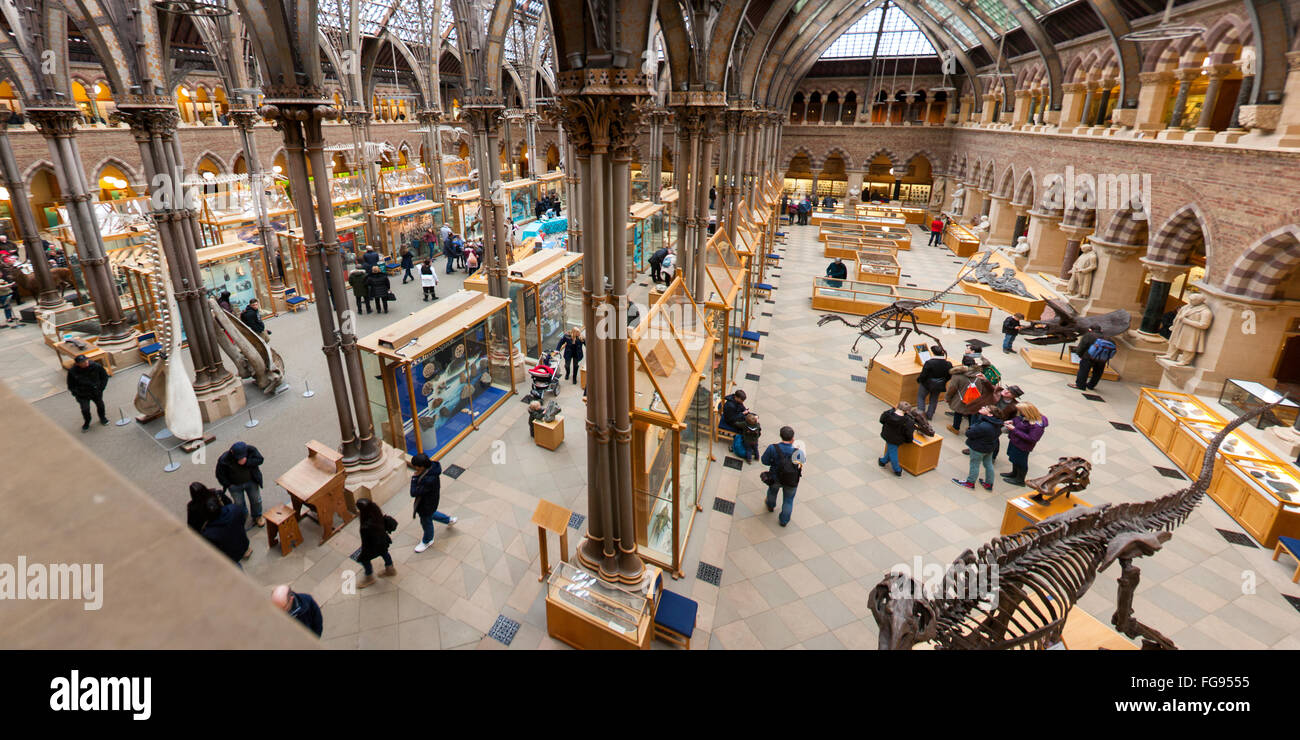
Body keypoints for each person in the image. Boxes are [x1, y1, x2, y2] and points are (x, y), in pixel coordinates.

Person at [409, 453, 457, 553]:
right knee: (431, 514)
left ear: (422, 467)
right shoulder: (432, 470)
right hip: (431, 502)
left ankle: (428, 540)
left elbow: (414, 492)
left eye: (416, 467)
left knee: (426, 523)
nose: (415, 469)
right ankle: (448, 520)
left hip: (426, 505)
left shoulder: (428, 480)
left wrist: (414, 479)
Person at [761, 426, 805, 527]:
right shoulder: (798, 452)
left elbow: (764, 461)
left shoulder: (773, 448)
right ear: (792, 438)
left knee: (772, 492)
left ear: (781, 436)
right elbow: (801, 463)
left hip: (776, 477)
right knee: (788, 500)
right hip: (791, 480)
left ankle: (770, 505)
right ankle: (784, 521)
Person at [216, 440, 266, 527]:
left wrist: (247, 462)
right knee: (239, 504)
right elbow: (220, 474)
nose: (240, 459)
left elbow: (260, 460)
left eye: (242, 456)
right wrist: (228, 485)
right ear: (232, 452)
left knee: (256, 500)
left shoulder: (251, 450)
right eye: (238, 457)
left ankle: (257, 516)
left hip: (251, 482)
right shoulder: (224, 459)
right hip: (235, 486)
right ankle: (243, 515)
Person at [953, 406, 1001, 491]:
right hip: (989, 448)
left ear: (990, 414)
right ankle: (989, 484)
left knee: (974, 465)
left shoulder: (984, 425)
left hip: (978, 448)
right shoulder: (997, 423)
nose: (982, 407)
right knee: (988, 464)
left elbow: (969, 433)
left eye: (986, 408)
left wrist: (971, 428)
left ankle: (970, 482)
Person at [1002, 402, 1048, 487]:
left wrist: (1014, 429)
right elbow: (1018, 419)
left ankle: (1020, 480)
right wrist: (1012, 421)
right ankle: (1014, 473)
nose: (1019, 413)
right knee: (1014, 459)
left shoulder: (1037, 425)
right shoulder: (1024, 416)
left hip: (1022, 446)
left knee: (1021, 462)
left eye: (1021, 411)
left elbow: (1032, 439)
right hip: (1015, 441)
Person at [198, 493, 251, 565]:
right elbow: (242, 519)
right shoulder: (234, 509)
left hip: (229, 557)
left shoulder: (208, 533)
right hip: (242, 544)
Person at [355, 498, 397, 588]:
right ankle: (390, 569)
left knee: (364, 559)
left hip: (373, 545)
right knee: (384, 553)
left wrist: (364, 552)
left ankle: (369, 577)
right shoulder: (375, 510)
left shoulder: (366, 526)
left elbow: (366, 540)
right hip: (382, 539)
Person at [66, 354, 109, 432]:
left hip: (95, 391)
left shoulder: (96, 366)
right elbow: (70, 385)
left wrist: (101, 388)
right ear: (78, 364)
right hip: (82, 394)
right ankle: (87, 421)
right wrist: (76, 393)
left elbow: (104, 377)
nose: (85, 363)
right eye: (82, 362)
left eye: (86, 360)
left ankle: (102, 418)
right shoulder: (72, 371)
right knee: (85, 409)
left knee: (100, 405)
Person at [878, 401, 916, 477]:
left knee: (891, 449)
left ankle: (883, 461)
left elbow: (881, 420)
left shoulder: (888, 414)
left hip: (887, 435)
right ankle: (897, 470)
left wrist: (892, 409)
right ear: (907, 411)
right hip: (897, 439)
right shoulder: (908, 421)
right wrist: (909, 440)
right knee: (893, 453)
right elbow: (908, 433)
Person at [1068, 326, 1112, 391]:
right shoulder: (1108, 338)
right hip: (1101, 359)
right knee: (1097, 372)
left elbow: (1082, 346)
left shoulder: (1088, 335)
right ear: (1101, 330)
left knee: (1084, 370)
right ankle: (1091, 385)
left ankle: (1080, 385)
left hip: (1088, 357)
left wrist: (1080, 355)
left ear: (1090, 329)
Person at [915, 346, 951, 420]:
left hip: (926, 384)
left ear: (933, 353)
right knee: (934, 400)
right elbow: (949, 375)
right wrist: (942, 381)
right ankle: (930, 415)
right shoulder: (948, 364)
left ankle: (921, 415)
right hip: (939, 385)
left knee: (921, 397)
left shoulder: (929, 363)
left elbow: (923, 375)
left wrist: (919, 380)